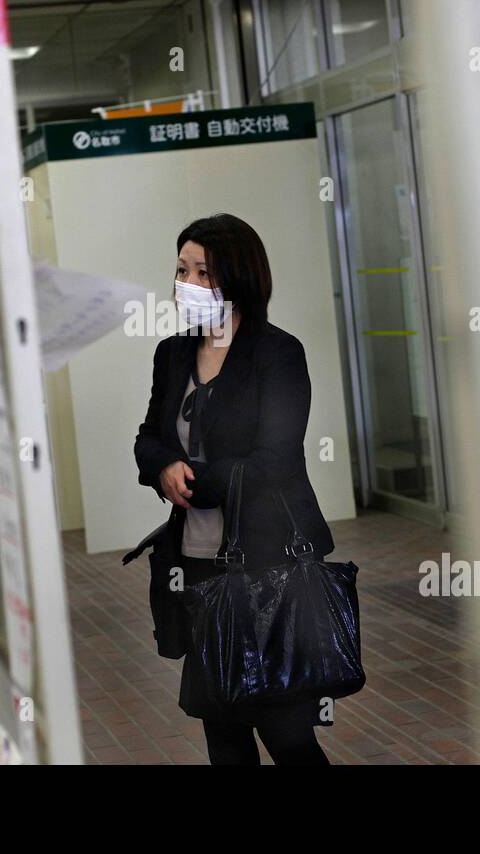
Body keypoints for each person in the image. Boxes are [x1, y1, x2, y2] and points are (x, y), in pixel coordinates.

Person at [133, 213, 337, 765]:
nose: (189, 283)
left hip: (269, 566)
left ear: (240, 278)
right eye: (182, 270)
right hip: (198, 568)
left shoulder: (277, 353)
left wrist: (193, 481)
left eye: (205, 271)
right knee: (221, 727)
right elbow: (149, 437)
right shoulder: (173, 354)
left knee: (287, 731)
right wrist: (163, 469)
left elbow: (277, 458)